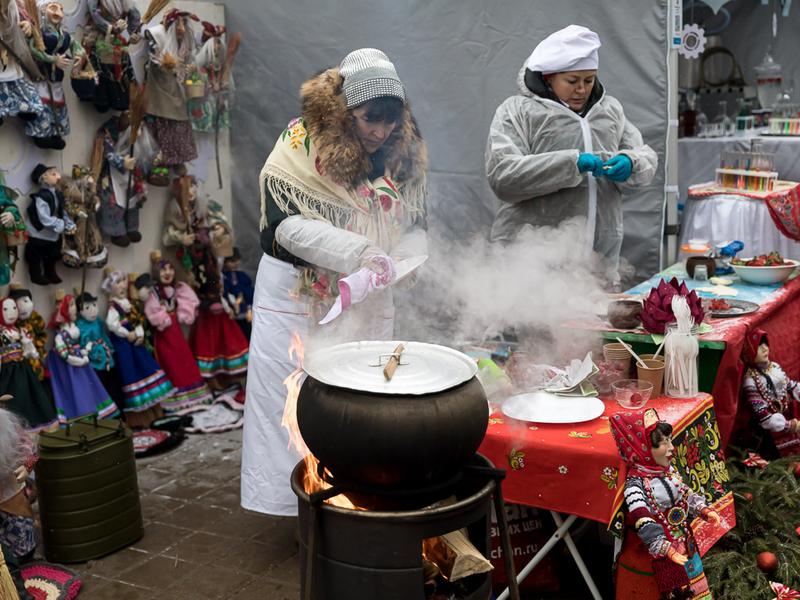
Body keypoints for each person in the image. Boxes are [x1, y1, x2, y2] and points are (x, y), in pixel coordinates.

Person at [242, 48, 428, 516]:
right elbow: (281, 227)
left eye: (389, 121)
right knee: (294, 399)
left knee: (358, 401)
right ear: (345, 109)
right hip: (298, 296)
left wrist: (406, 255)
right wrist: (359, 252)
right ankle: (297, 509)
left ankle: (355, 501)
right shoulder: (303, 141)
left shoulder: (402, 146)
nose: (379, 131)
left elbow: (418, 219)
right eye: (369, 119)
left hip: (367, 293)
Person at [485, 25, 657, 286]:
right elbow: (503, 175)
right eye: (572, 81)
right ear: (548, 78)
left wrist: (631, 162)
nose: (582, 89)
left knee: (592, 324)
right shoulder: (517, 112)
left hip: (599, 260)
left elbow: (644, 157)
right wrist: (571, 164)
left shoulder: (609, 111)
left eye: (589, 80)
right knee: (531, 324)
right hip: (531, 262)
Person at [611, 408, 719, 599]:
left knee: (696, 587)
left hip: (684, 543)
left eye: (670, 440)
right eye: (663, 443)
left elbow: (686, 493)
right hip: (660, 552)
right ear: (641, 448)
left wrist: (704, 509)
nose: (671, 448)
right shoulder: (635, 486)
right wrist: (664, 547)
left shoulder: (668, 472)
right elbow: (642, 517)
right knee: (672, 591)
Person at [742, 328, 800, 456]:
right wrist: (791, 426)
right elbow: (764, 417)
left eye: (765, 344)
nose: (765, 348)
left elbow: (789, 386)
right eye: (759, 346)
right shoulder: (751, 381)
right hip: (769, 430)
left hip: (786, 416)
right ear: (750, 350)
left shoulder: (774, 368)